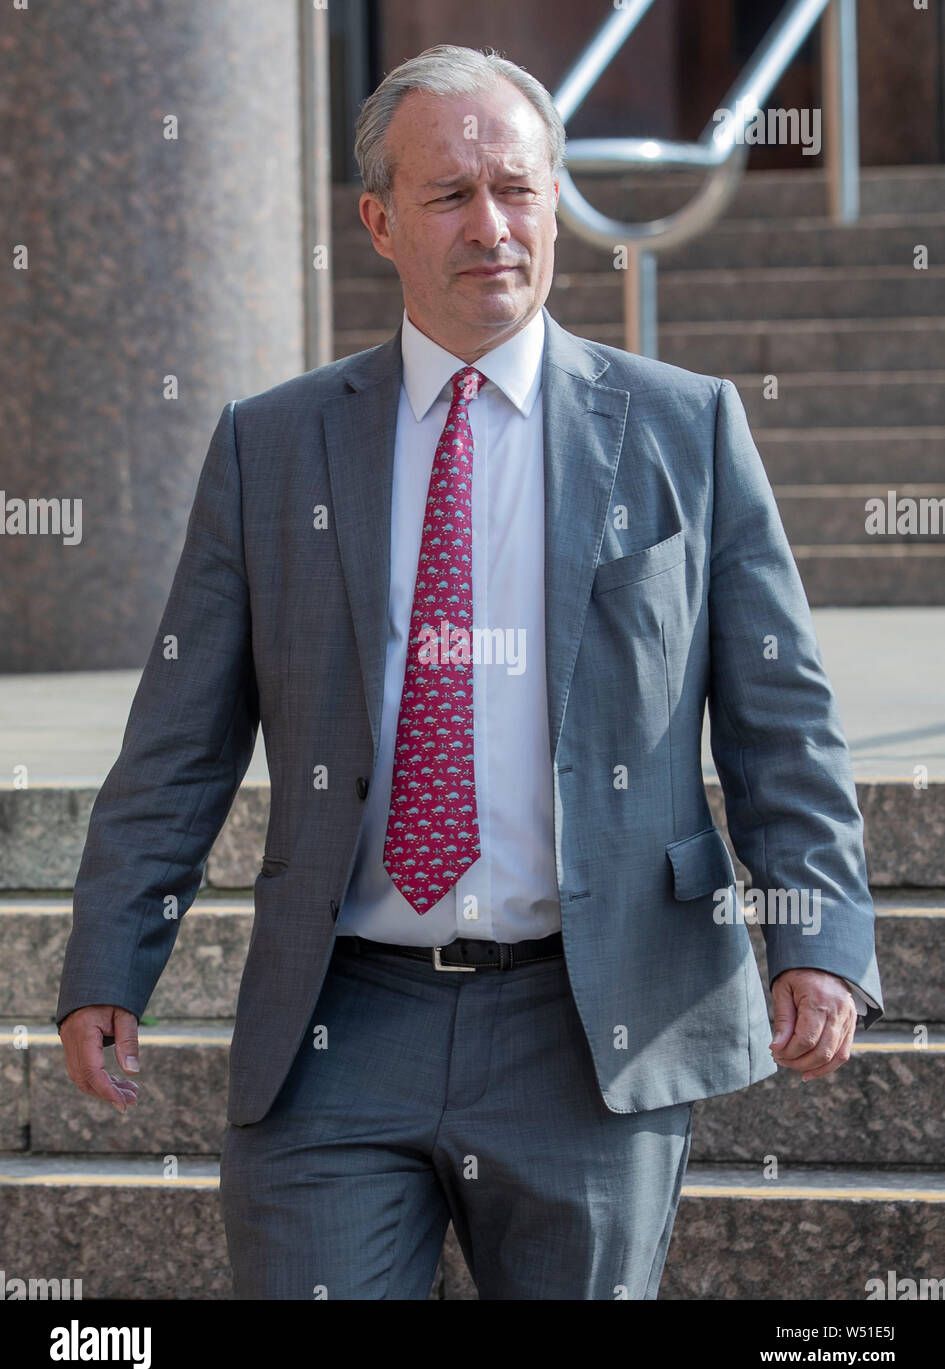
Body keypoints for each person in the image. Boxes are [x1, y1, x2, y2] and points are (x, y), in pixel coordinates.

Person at [57, 44, 882, 1300]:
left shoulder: (686, 427)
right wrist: (112, 958)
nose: (493, 226)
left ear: (557, 203)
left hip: (590, 1023)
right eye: (451, 196)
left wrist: (815, 931)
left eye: (520, 190)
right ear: (380, 222)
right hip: (340, 1025)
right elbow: (177, 737)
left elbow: (783, 721)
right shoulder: (271, 446)